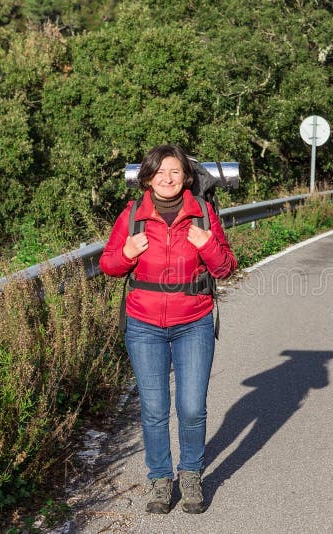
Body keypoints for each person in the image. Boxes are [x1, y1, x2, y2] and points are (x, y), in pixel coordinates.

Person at [100, 144, 237, 514]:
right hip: (144, 325)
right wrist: (127, 252)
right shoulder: (132, 215)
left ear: (186, 177)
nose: (167, 179)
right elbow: (108, 265)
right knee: (155, 408)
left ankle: (190, 474)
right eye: (159, 172)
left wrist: (207, 245)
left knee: (191, 407)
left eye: (175, 172)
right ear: (147, 177)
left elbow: (226, 267)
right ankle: (160, 480)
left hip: (193, 321)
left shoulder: (203, 214)